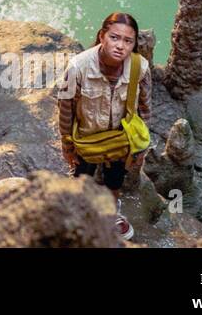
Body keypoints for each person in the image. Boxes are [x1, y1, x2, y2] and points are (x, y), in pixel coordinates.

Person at [55, 12, 152, 240]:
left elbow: (145, 109)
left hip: (120, 137)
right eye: (114, 38)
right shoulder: (78, 67)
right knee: (82, 176)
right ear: (102, 36)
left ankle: (110, 212)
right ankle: (80, 214)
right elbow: (66, 106)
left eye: (128, 41)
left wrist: (141, 147)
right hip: (87, 137)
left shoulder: (140, 68)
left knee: (115, 177)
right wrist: (67, 144)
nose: (121, 46)